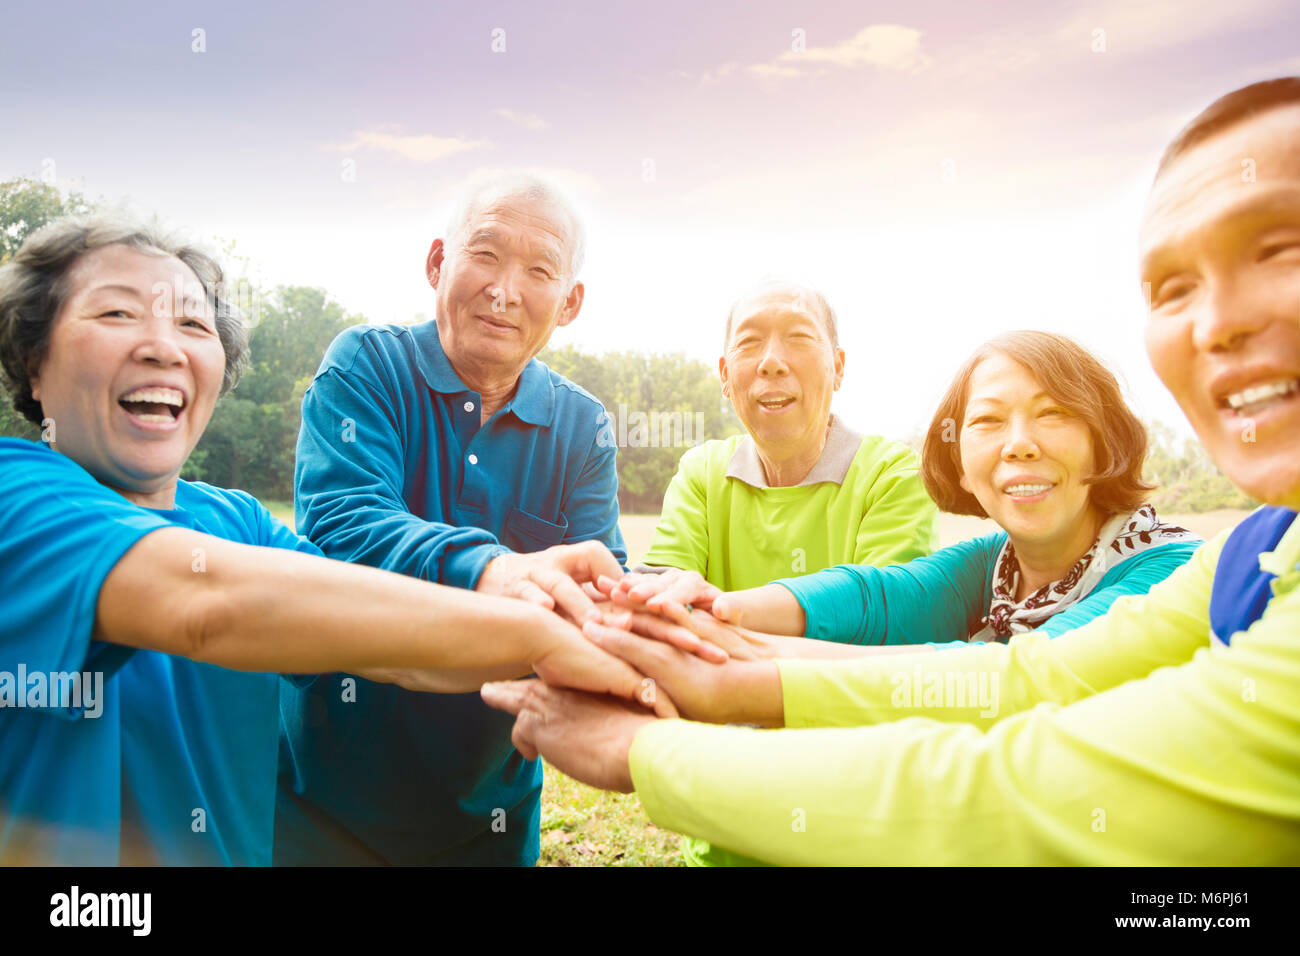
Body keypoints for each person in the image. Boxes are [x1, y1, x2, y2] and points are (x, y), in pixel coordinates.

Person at [483, 77, 1300, 864]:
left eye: (1279, 249)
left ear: (1106, 442)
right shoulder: (1232, 548)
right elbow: (905, 616)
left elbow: (1016, 761)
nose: (1221, 321)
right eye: (1174, 287)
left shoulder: (1168, 565)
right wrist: (700, 625)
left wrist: (650, 745)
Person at [0, 216, 661, 865]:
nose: (162, 346)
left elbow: (393, 651)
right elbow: (209, 606)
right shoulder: (17, 493)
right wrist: (539, 631)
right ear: (33, 360)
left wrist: (637, 658)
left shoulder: (236, 523)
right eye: (117, 315)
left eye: (193, 325)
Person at [276, 174, 628, 866]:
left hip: (489, 813)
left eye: (539, 271)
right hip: (319, 801)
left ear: (570, 303)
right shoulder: (365, 367)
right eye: (486, 256)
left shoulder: (583, 426)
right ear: (439, 263)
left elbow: (598, 592)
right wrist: (495, 569)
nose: (504, 290)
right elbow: (344, 527)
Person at [607, 332, 1200, 664]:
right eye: (988, 422)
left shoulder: (1172, 569)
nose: (1019, 445)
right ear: (961, 468)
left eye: (1053, 415)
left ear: (1104, 444)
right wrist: (716, 608)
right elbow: (877, 599)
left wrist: (726, 658)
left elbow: (1015, 678)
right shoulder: (995, 563)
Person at [638, 280, 938, 592]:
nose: (771, 363)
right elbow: (661, 593)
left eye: (799, 338)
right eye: (749, 341)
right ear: (725, 375)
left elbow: (884, 616)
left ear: (837, 367)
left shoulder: (891, 476)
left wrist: (715, 614)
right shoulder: (701, 474)